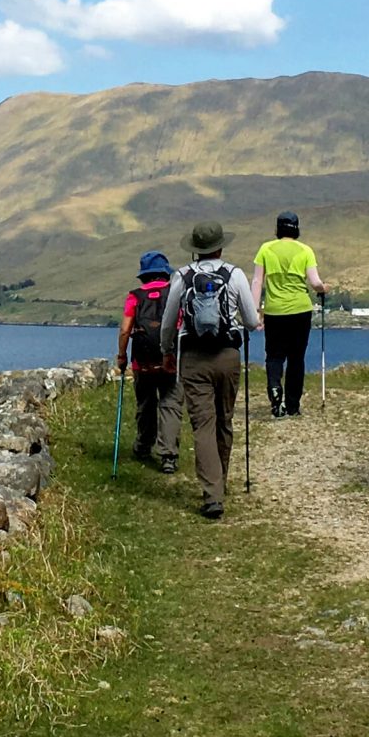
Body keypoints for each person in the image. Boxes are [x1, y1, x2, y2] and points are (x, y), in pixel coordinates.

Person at [157, 221, 263, 520]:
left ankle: (212, 494)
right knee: (224, 419)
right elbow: (252, 321)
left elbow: (168, 321)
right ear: (220, 246)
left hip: (193, 357)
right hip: (227, 355)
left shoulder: (182, 276)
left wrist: (167, 352)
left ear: (195, 249)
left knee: (202, 424)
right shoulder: (235, 274)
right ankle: (222, 479)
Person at [249, 211, 327, 417]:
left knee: (274, 356)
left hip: (274, 312)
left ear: (277, 229)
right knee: (296, 357)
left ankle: (275, 395)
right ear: (297, 229)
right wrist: (323, 289)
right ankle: (293, 405)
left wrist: (255, 310)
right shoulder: (306, 250)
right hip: (300, 311)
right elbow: (315, 282)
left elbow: (257, 281)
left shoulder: (265, 249)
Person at [116, 250, 181, 475]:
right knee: (170, 403)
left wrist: (122, 356)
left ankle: (143, 445)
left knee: (145, 404)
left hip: (141, 362)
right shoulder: (175, 293)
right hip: (170, 360)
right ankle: (168, 456)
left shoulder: (134, 296)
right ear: (165, 273)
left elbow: (125, 330)